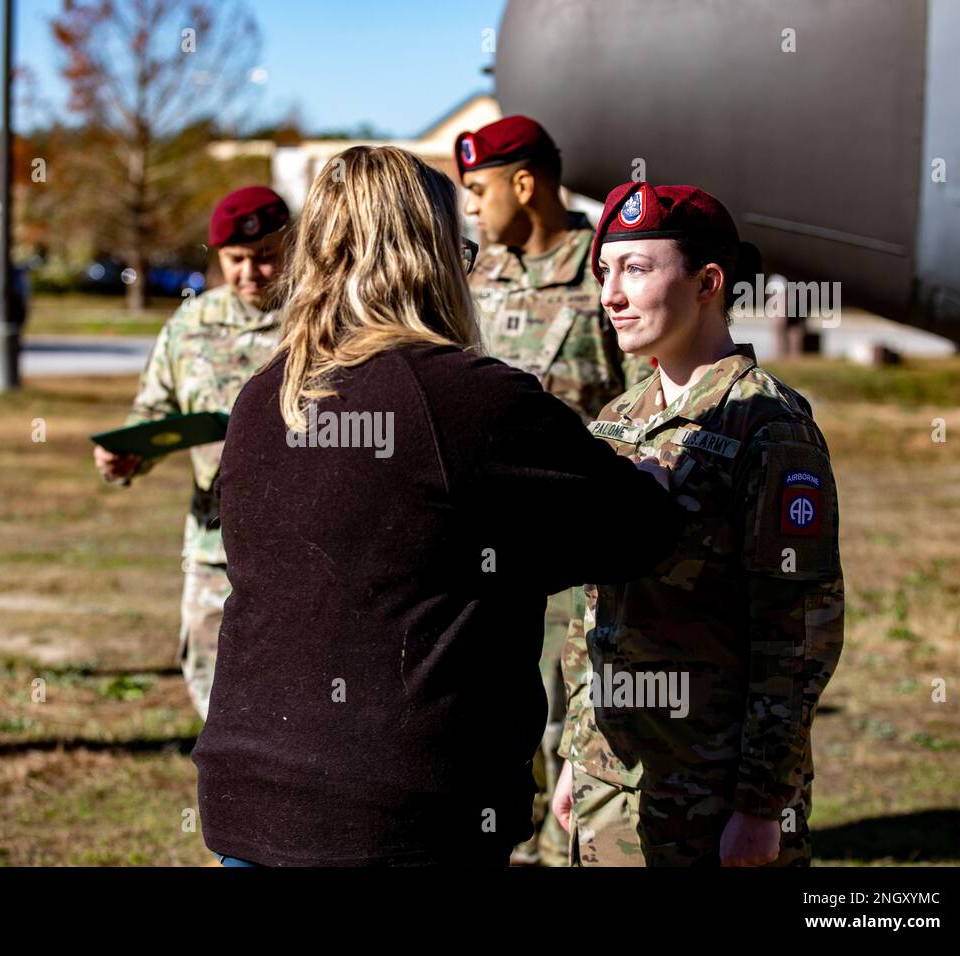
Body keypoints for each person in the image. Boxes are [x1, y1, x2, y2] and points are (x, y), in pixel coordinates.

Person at [191, 146, 683, 867]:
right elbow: (640, 532)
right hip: (404, 815)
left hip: (249, 797)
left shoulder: (264, 397)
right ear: (433, 256)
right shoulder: (468, 398)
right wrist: (652, 472)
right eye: (462, 246)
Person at [553, 182, 845, 866]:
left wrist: (760, 805)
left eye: (637, 269)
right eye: (604, 273)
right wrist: (578, 748)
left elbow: (799, 633)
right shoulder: (617, 422)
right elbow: (590, 610)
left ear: (708, 282)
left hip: (711, 788)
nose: (610, 295)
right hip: (613, 778)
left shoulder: (769, 429)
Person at [456, 114, 653, 865]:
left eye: (478, 191)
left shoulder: (606, 270)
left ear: (525, 183)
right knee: (490, 721)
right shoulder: (477, 277)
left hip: (574, 551)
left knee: (571, 724)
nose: (472, 208)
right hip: (486, 553)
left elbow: (643, 404)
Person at [93, 186, 290, 721]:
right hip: (215, 538)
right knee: (210, 675)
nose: (250, 272)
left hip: (304, 537)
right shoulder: (191, 325)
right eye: (235, 259)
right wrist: (129, 453)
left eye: (265, 257)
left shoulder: (321, 321)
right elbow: (154, 409)